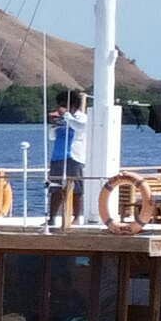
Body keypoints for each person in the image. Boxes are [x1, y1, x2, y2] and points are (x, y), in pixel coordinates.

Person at [46, 88, 88, 228]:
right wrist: (53, 126)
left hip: (74, 156)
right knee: (55, 188)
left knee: (76, 188)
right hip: (58, 156)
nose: (60, 108)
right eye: (60, 104)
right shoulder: (61, 118)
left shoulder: (81, 117)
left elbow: (81, 128)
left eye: (63, 104)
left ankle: (77, 217)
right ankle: (52, 218)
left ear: (73, 105)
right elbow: (51, 137)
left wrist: (68, 118)